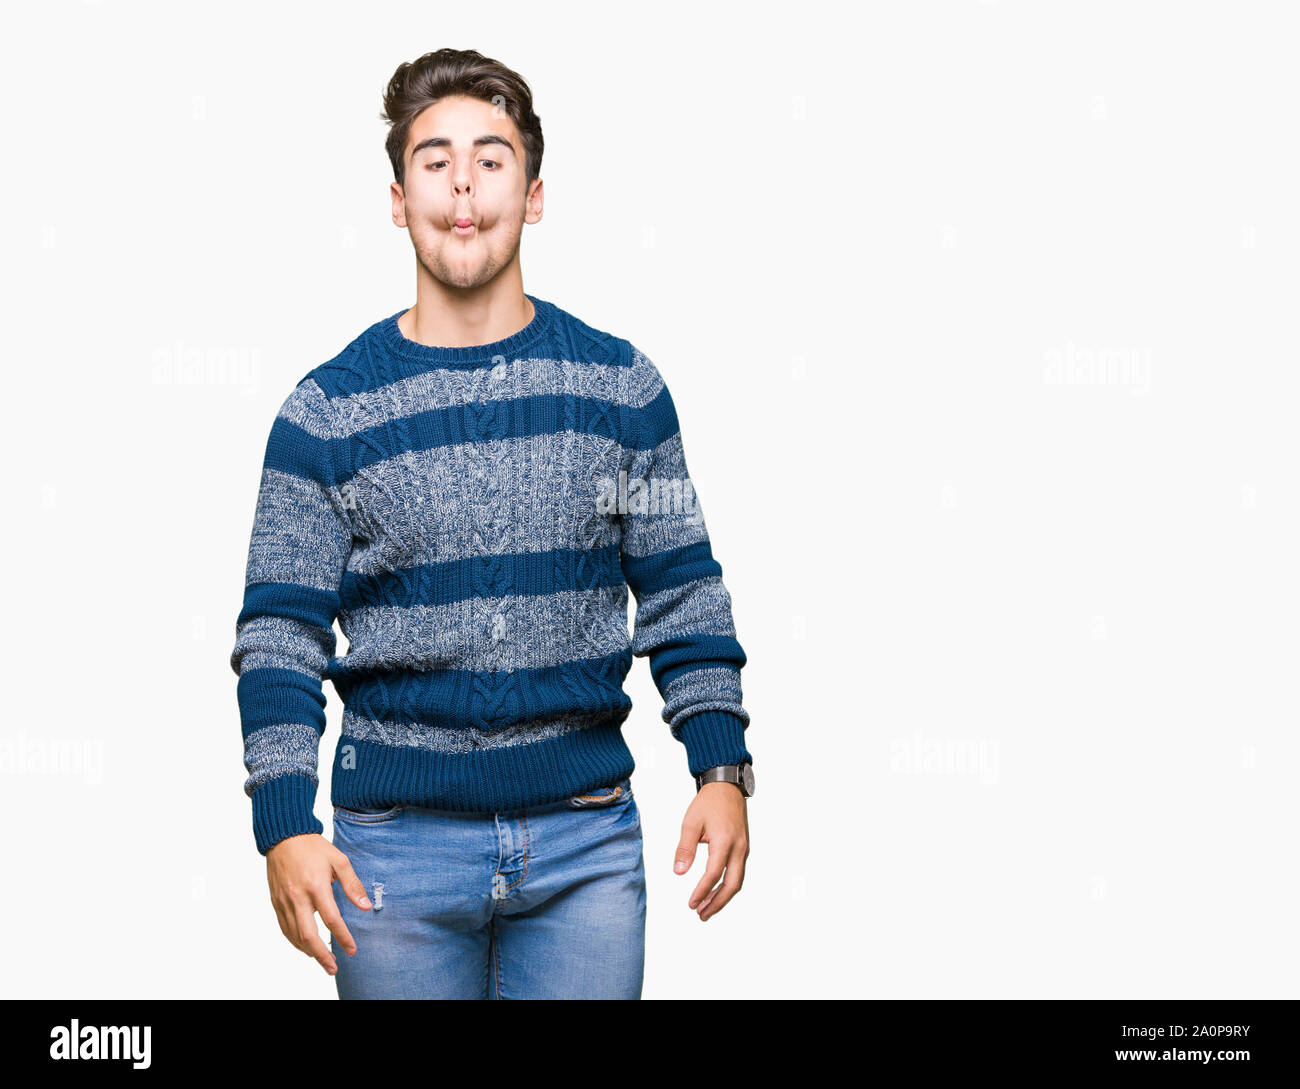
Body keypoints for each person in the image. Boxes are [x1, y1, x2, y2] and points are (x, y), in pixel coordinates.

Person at [229, 47, 754, 1000]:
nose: (463, 183)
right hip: (393, 855)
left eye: (491, 158)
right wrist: (283, 818)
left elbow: (684, 590)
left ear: (535, 193)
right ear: (398, 198)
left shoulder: (623, 388)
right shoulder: (325, 413)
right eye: (434, 160)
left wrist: (721, 762)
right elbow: (278, 634)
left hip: (584, 843)